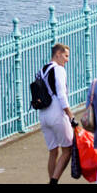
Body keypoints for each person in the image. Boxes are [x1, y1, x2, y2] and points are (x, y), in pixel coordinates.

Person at [39, 43, 75, 183]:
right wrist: (70, 115)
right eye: (66, 56)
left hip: (43, 114)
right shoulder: (59, 70)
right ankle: (53, 182)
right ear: (58, 54)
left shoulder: (42, 70)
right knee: (68, 149)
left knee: (53, 152)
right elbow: (61, 94)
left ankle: (51, 180)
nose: (67, 60)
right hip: (56, 112)